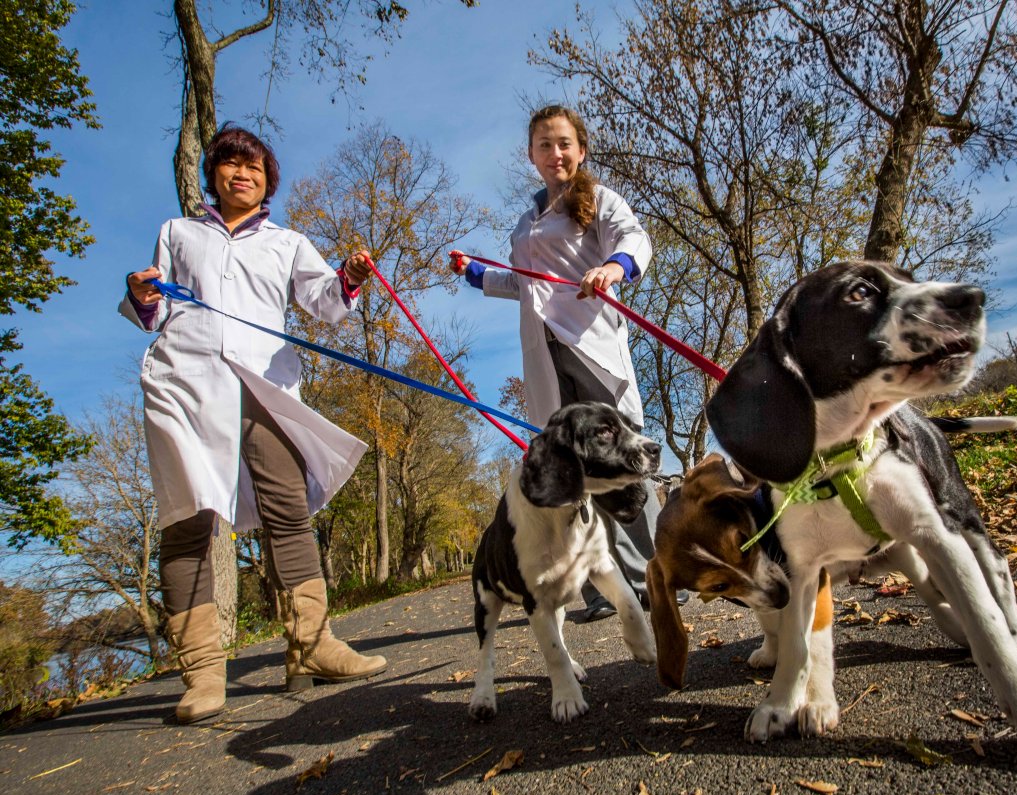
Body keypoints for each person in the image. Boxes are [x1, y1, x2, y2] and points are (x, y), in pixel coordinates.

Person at [120, 124, 385, 724]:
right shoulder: (178, 232)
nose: (241, 174)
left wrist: (350, 277)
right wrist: (141, 294)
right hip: (183, 384)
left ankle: (311, 645)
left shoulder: (287, 241)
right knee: (187, 520)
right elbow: (154, 308)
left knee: (287, 509)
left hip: (262, 383)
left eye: (254, 169)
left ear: (267, 184)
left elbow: (323, 301)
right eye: (231, 166)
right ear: (213, 175)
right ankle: (203, 674)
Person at [449, 104, 685, 621]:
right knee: (571, 468)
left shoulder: (599, 200)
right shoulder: (525, 222)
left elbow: (634, 239)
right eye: (543, 145)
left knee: (622, 460)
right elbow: (523, 283)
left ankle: (658, 578)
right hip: (545, 357)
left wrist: (613, 267)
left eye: (563, 143)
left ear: (580, 150)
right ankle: (602, 589)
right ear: (530, 155)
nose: (554, 153)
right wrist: (475, 275)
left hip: (589, 342)